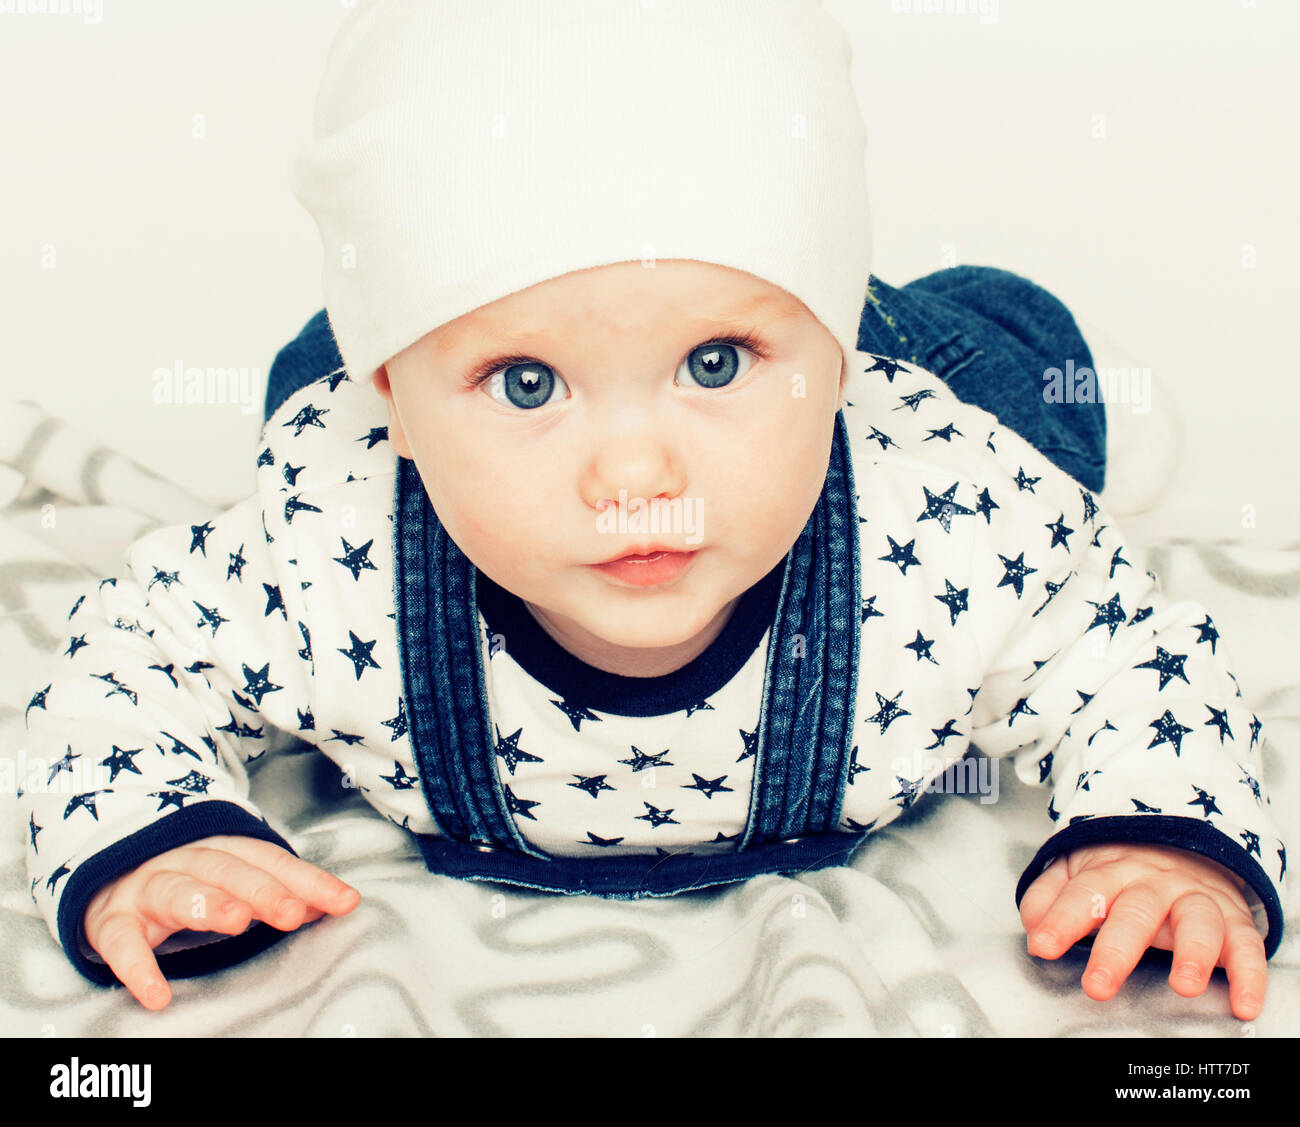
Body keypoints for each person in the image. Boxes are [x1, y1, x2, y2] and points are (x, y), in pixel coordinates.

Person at [17, 0, 1283, 1021]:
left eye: (716, 364)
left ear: (833, 355)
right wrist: (146, 832)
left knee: (1022, 393)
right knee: (331, 383)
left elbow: (1134, 657)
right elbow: (124, 663)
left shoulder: (949, 517)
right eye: (526, 384)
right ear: (395, 399)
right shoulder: (329, 543)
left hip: (906, 390)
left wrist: (1159, 835)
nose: (635, 474)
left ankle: (846, 317)